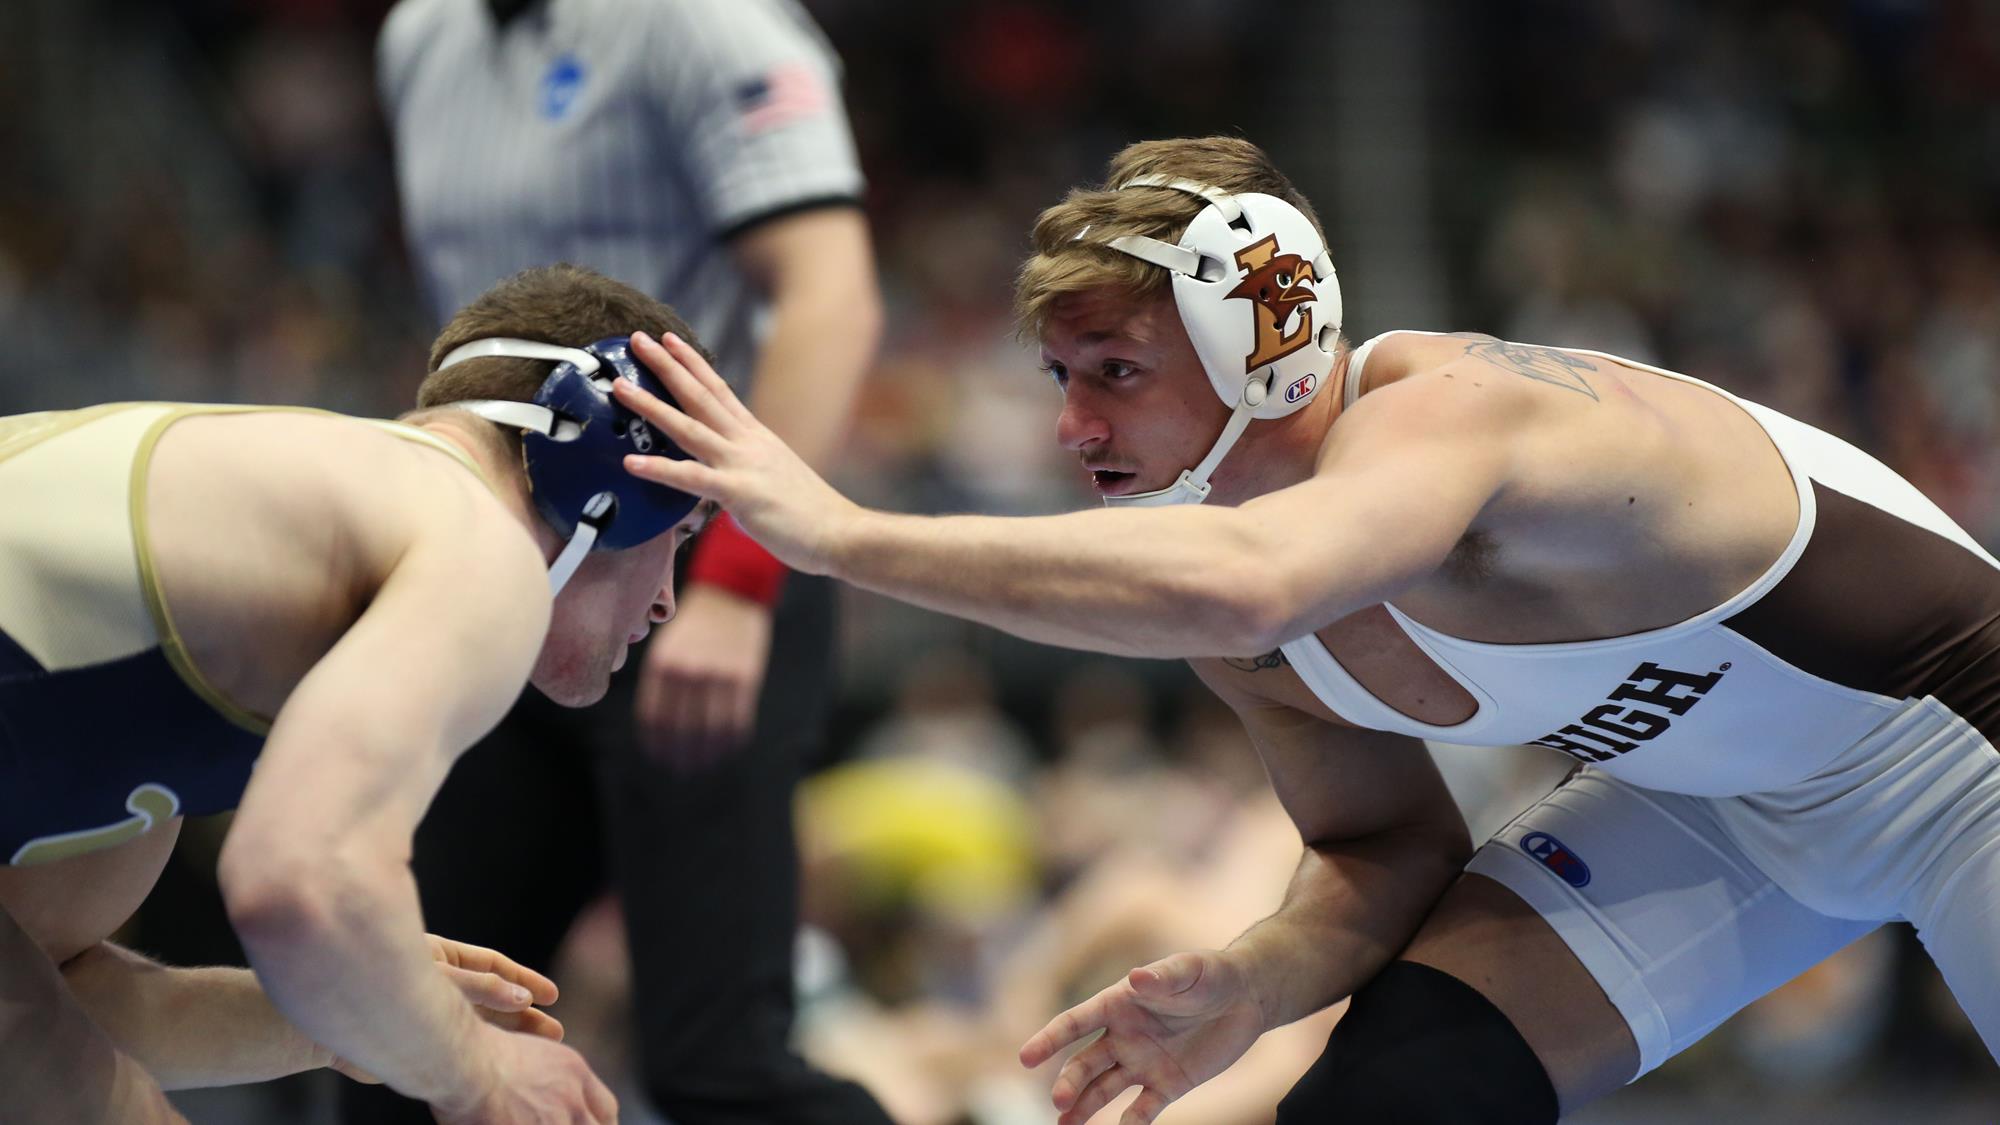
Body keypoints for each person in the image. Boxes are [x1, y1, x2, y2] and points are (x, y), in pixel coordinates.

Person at [611, 136, 2000, 1124]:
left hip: (1962, 756)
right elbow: (1386, 848)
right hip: (1712, 806)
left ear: (1258, 344)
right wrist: (1252, 982)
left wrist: (834, 533)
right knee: (1392, 1090)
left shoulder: (1462, 415)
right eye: (1059, 375)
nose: (1070, 426)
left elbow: (1252, 577)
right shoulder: (1247, 622)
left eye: (1116, 372)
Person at [0, 262, 714, 1124]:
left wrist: (349, 1010)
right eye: (681, 530)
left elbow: (55, 989)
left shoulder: (230, 593)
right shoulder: (479, 546)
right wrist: (475, 1072)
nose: (672, 596)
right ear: (606, 468)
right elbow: (297, 879)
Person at [365, 1, 885, 1120]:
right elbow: (466, 340)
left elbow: (828, 296)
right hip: (488, 572)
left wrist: (740, 586)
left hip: (685, 572)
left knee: (714, 1070)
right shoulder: (419, 36)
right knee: (407, 1041)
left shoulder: (707, 26)